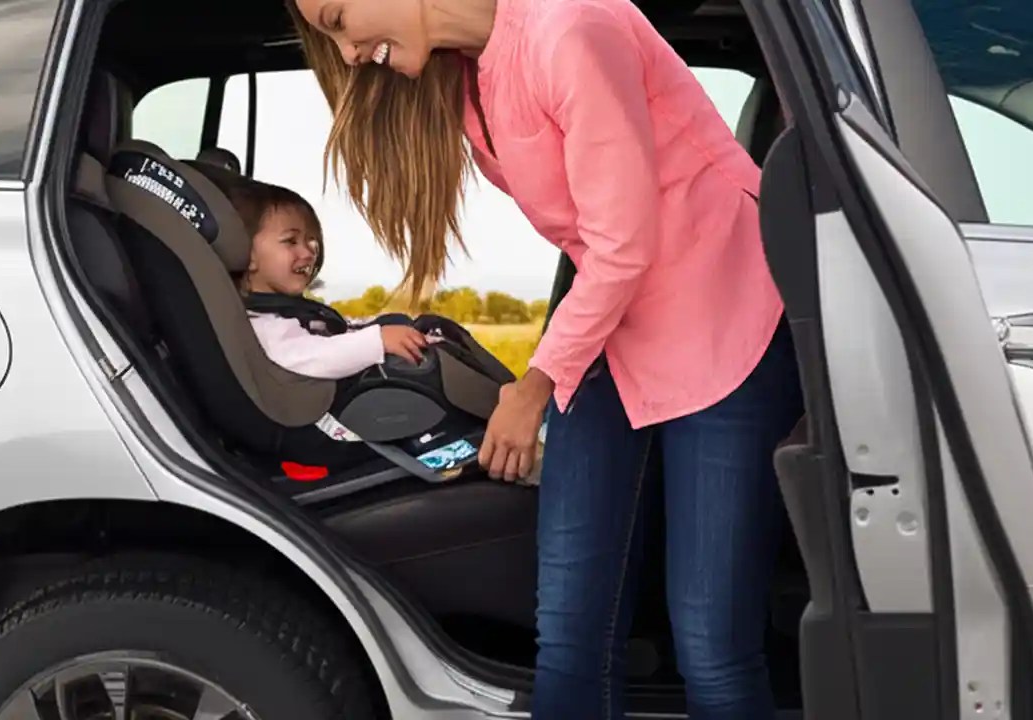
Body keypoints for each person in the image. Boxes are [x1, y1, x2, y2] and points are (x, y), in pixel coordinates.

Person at [284, 0, 804, 718]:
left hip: (726, 318)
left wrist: (531, 388)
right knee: (568, 636)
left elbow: (620, 245)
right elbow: (598, 249)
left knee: (711, 647)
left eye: (338, 18)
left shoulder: (571, 30)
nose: (345, 53)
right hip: (614, 332)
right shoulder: (465, 81)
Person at [224, 178, 432, 378]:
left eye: (311, 242)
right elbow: (313, 356)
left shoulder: (287, 313)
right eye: (291, 241)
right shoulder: (262, 327)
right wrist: (377, 341)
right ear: (247, 253)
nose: (308, 253)